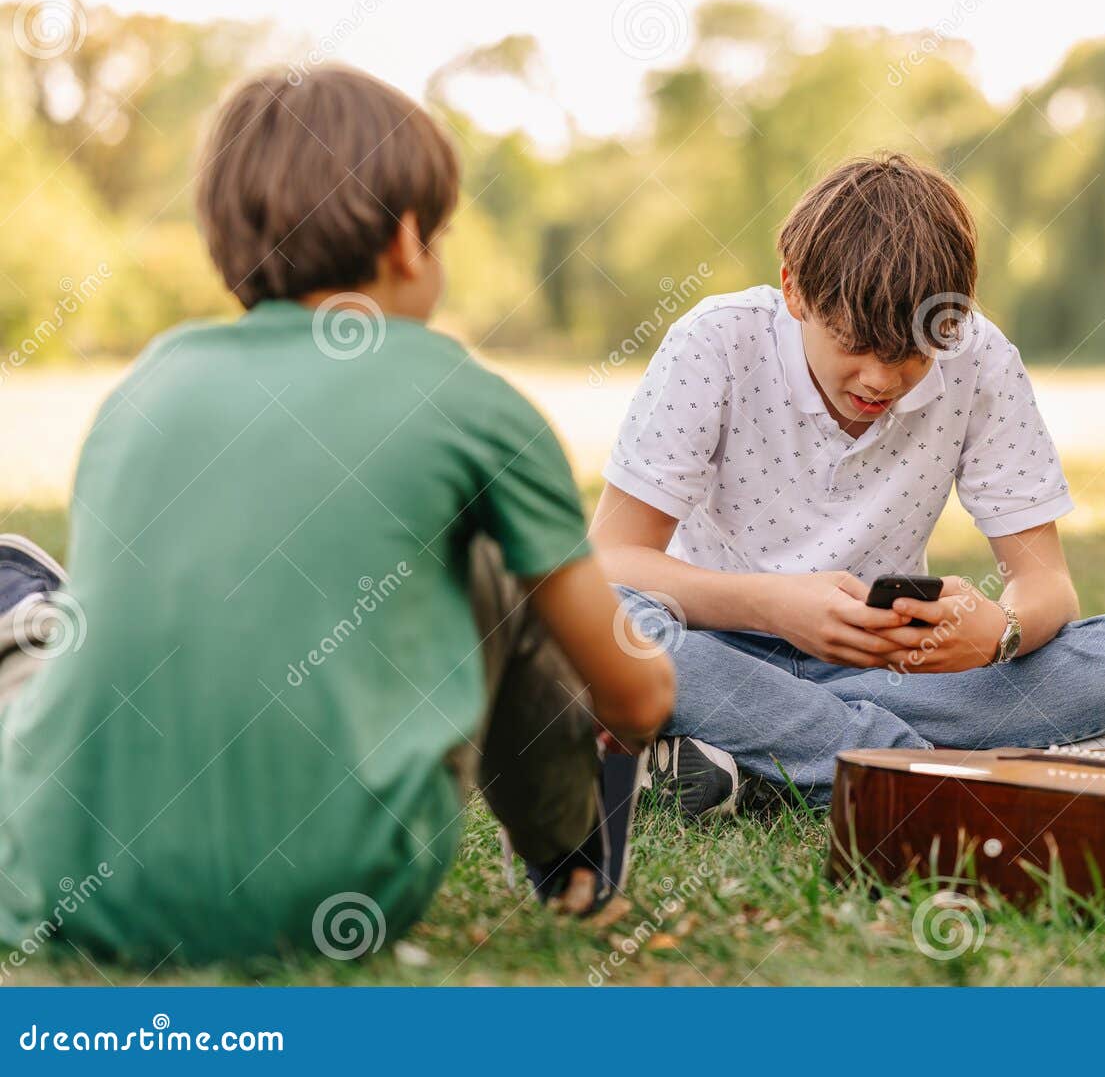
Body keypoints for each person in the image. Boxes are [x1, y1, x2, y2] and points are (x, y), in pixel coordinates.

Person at [0, 65, 673, 964]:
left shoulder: (146, 385)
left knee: (44, 637)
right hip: (336, 884)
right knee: (502, 561)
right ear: (406, 242)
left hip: (56, 874)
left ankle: (28, 612)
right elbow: (639, 697)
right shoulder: (467, 400)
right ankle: (572, 865)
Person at [591, 153, 1105, 815]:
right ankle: (908, 763)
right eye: (854, 343)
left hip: (890, 670)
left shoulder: (981, 361)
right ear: (794, 290)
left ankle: (751, 756)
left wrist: (1002, 631)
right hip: (717, 645)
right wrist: (773, 605)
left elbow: (1047, 581)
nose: (879, 379)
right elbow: (610, 560)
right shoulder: (715, 344)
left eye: (909, 355)